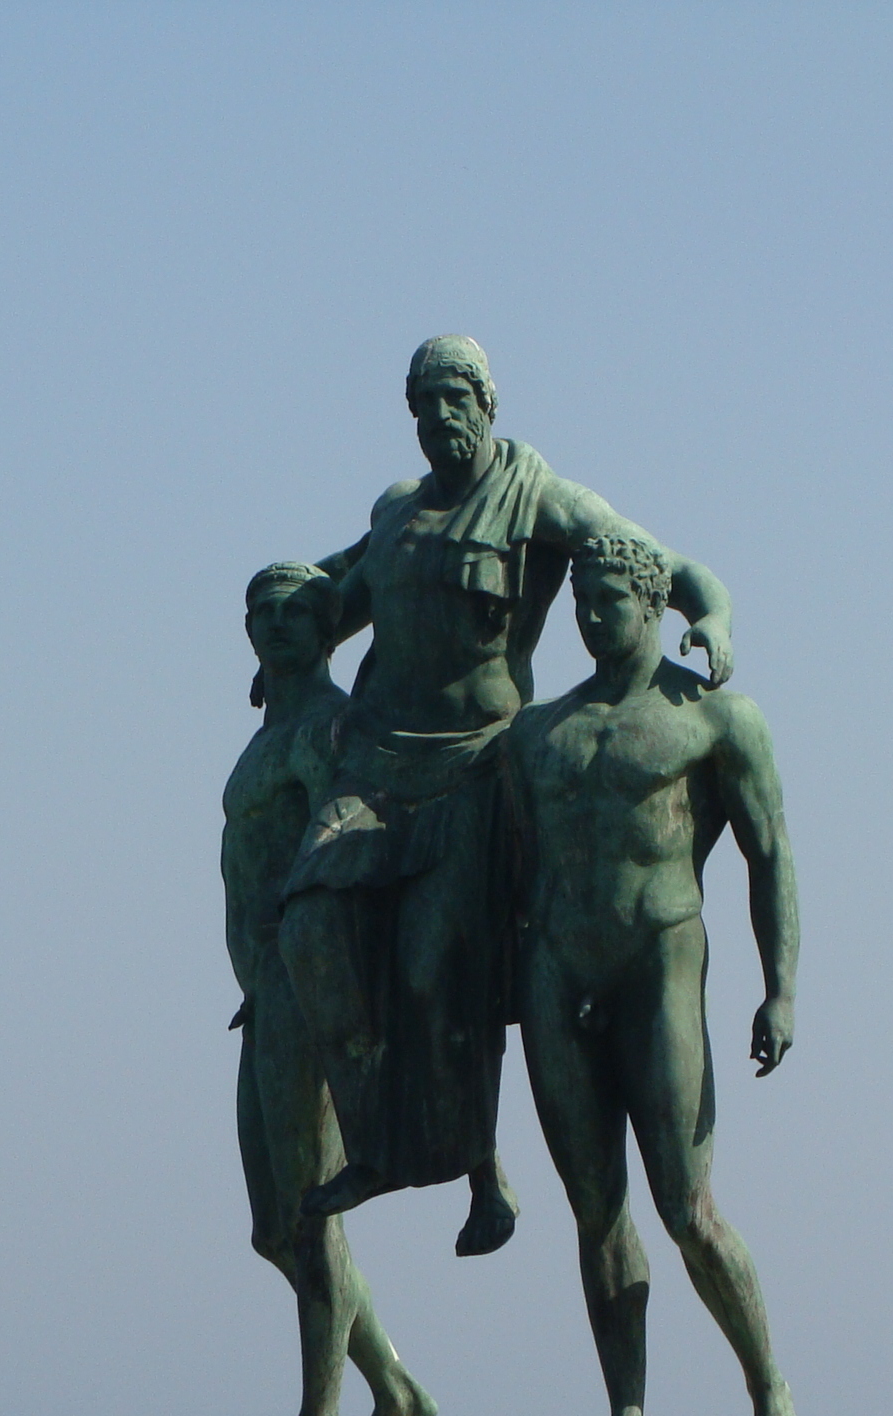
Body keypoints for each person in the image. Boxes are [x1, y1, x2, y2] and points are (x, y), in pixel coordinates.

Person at [278, 336, 736, 1258]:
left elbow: (660, 562)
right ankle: (373, 1142)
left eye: (455, 399)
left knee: (433, 961)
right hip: (374, 760)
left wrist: (712, 613)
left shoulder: (538, 497)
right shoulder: (397, 512)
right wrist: (284, 629)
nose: (438, 418)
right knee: (310, 930)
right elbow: (341, 590)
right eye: (422, 404)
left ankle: (481, 1171)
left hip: (476, 767)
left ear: (488, 403)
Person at [502, 534, 801, 1416]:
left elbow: (770, 858)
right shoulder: (537, 732)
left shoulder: (714, 719)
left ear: (652, 604)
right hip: (557, 972)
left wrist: (780, 988)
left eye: (609, 603)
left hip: (659, 963)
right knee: (595, 1208)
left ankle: (770, 1390)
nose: (592, 619)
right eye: (581, 603)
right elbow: (510, 871)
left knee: (686, 1207)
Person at [218, 562, 435, 1416]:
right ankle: (397, 1389)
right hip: (261, 995)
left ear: (328, 628)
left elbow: (348, 849)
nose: (278, 624)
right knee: (275, 1226)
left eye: (298, 612)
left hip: (310, 991)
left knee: (312, 1214)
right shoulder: (264, 740)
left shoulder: (328, 730)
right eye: (262, 612)